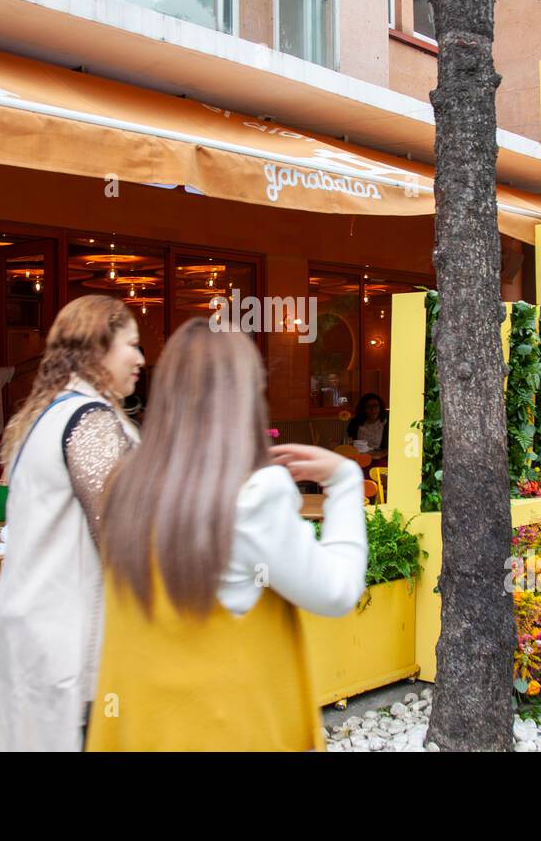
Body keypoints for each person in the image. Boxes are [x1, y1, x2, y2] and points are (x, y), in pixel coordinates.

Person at [87, 319, 367, 751]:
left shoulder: (126, 488)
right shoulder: (253, 497)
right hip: (233, 731)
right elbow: (336, 592)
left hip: (145, 733)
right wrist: (346, 482)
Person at [0, 295, 143, 752]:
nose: (140, 358)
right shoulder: (91, 421)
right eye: (131, 345)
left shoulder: (44, 414)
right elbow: (122, 537)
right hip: (73, 643)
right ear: (97, 350)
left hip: (35, 635)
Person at [346, 393, 389, 462]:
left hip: (381, 458)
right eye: (368, 406)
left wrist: (382, 453)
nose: (373, 409)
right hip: (360, 458)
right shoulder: (355, 422)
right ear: (363, 409)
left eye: (375, 406)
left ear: (380, 407)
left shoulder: (388, 421)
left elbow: (396, 445)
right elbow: (350, 442)